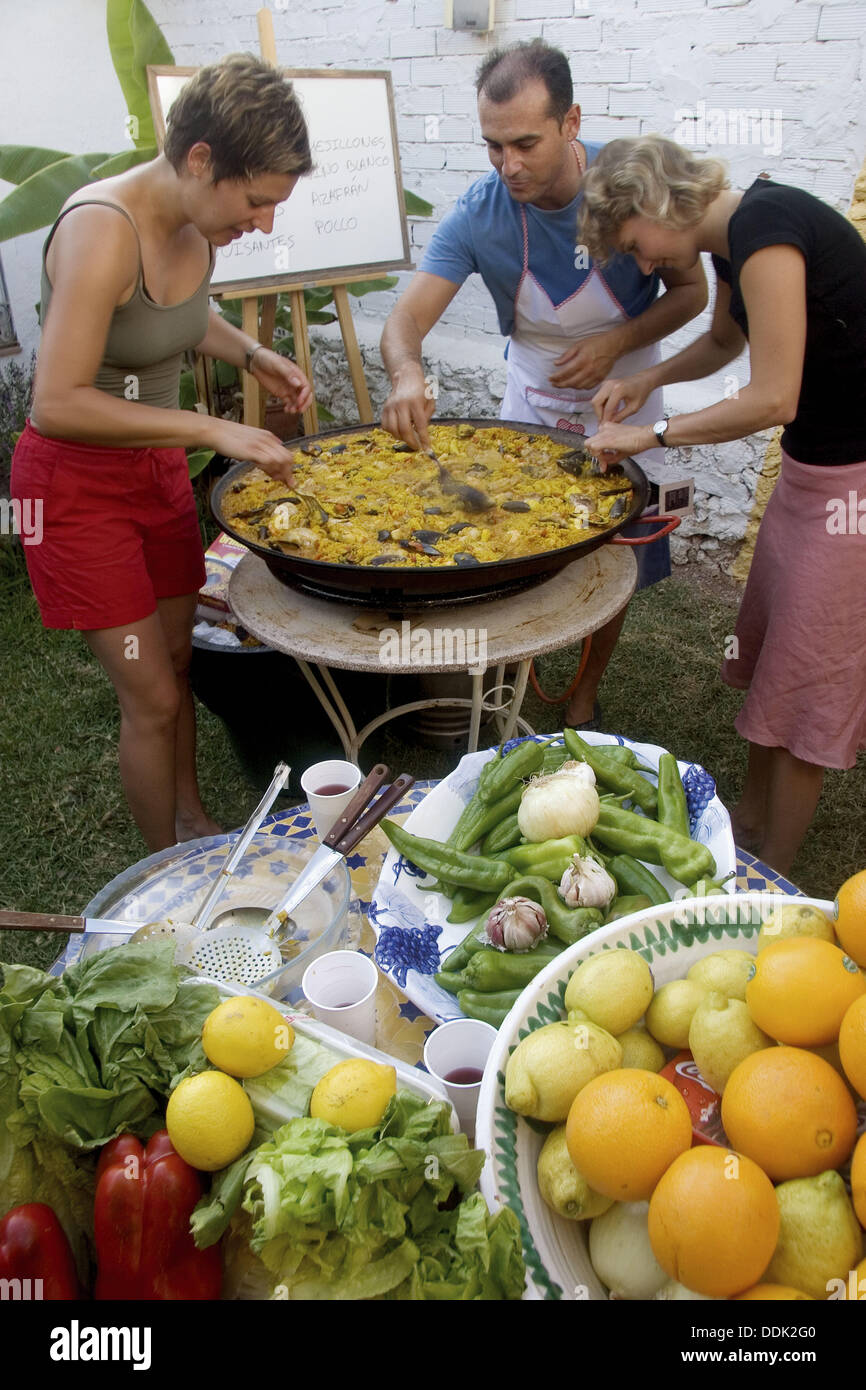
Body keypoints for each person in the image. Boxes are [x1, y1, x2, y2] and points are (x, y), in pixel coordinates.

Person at [10, 54, 314, 852]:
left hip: (153, 472)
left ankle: (194, 825)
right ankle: (162, 882)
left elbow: (179, 315)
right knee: (148, 695)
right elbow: (58, 400)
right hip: (74, 490)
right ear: (201, 160)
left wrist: (252, 355)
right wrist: (212, 430)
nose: (264, 224)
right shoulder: (100, 231)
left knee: (176, 663)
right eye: (255, 202)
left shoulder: (192, 218)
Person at [380, 40, 707, 727]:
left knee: (616, 560)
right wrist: (407, 370)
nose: (510, 165)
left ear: (571, 122)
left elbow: (691, 292)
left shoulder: (628, 186)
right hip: (531, 397)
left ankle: (585, 690)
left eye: (525, 143)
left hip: (624, 392)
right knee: (509, 542)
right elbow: (405, 318)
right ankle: (505, 685)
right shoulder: (480, 212)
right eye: (493, 147)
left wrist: (616, 341)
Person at [578, 134, 866, 876]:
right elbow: (720, 343)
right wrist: (650, 380)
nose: (642, 263)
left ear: (654, 201)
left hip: (855, 483)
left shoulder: (766, 232)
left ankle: (774, 869)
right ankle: (751, 820)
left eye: (634, 244)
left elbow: (774, 396)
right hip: (815, 468)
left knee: (808, 678)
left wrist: (652, 430)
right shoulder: (737, 234)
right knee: (778, 646)